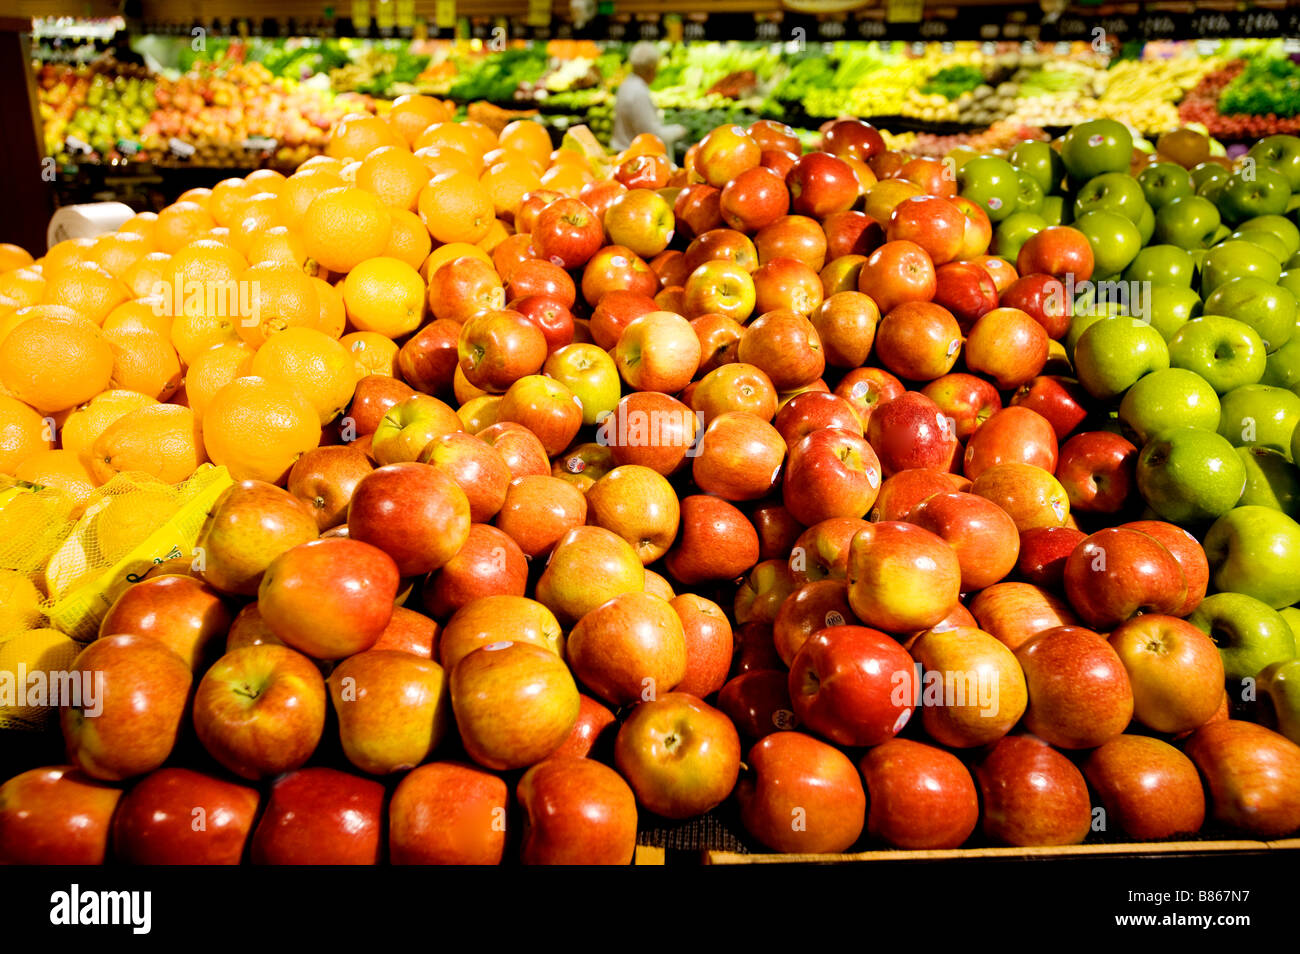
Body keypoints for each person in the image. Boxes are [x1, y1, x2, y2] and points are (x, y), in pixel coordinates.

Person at [611, 42, 686, 153]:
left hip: (623, 151)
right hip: (634, 155)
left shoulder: (626, 85)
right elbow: (652, 134)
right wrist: (679, 130)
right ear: (651, 68)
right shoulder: (639, 93)